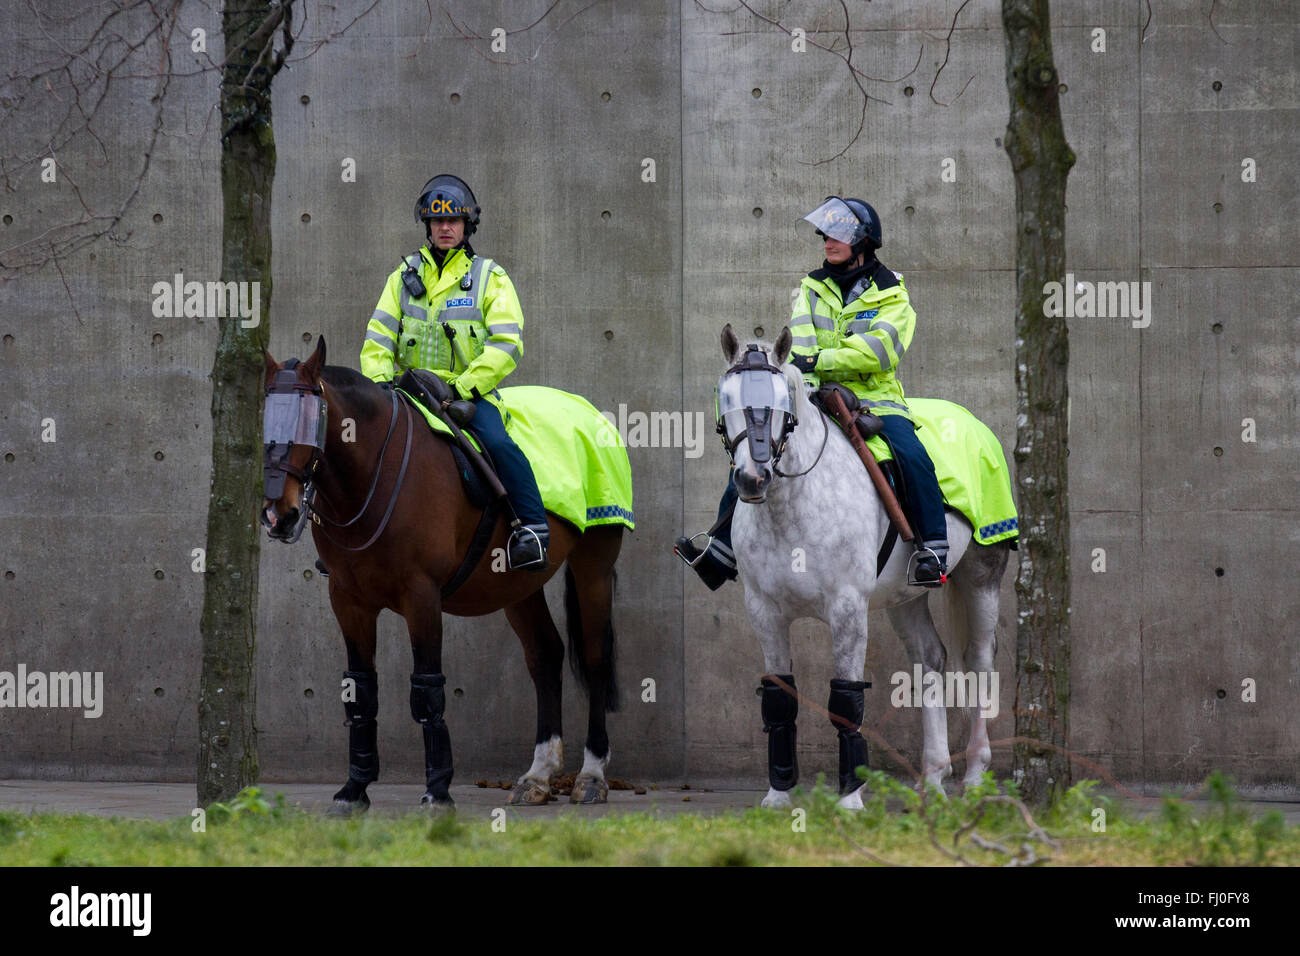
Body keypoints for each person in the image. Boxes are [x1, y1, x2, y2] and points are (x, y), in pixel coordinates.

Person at [675, 196, 949, 588]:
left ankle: (932, 551)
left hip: (877, 399)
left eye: (836, 236)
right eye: (825, 236)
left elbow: (880, 351)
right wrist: (809, 365)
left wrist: (818, 361)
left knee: (910, 454)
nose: (827, 243)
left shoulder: (892, 293)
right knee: (758, 445)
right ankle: (720, 549)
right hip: (815, 395)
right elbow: (799, 342)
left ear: (863, 243)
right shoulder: (811, 287)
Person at [360, 174, 549, 571]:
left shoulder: (488, 278)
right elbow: (378, 341)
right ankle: (351, 542)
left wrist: (462, 387)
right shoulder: (402, 278)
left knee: (498, 444)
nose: (445, 228)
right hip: (408, 393)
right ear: (427, 226)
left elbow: (507, 345)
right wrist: (379, 391)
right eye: (437, 221)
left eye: (454, 221)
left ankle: (531, 530)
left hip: (466, 396)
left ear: (467, 226)